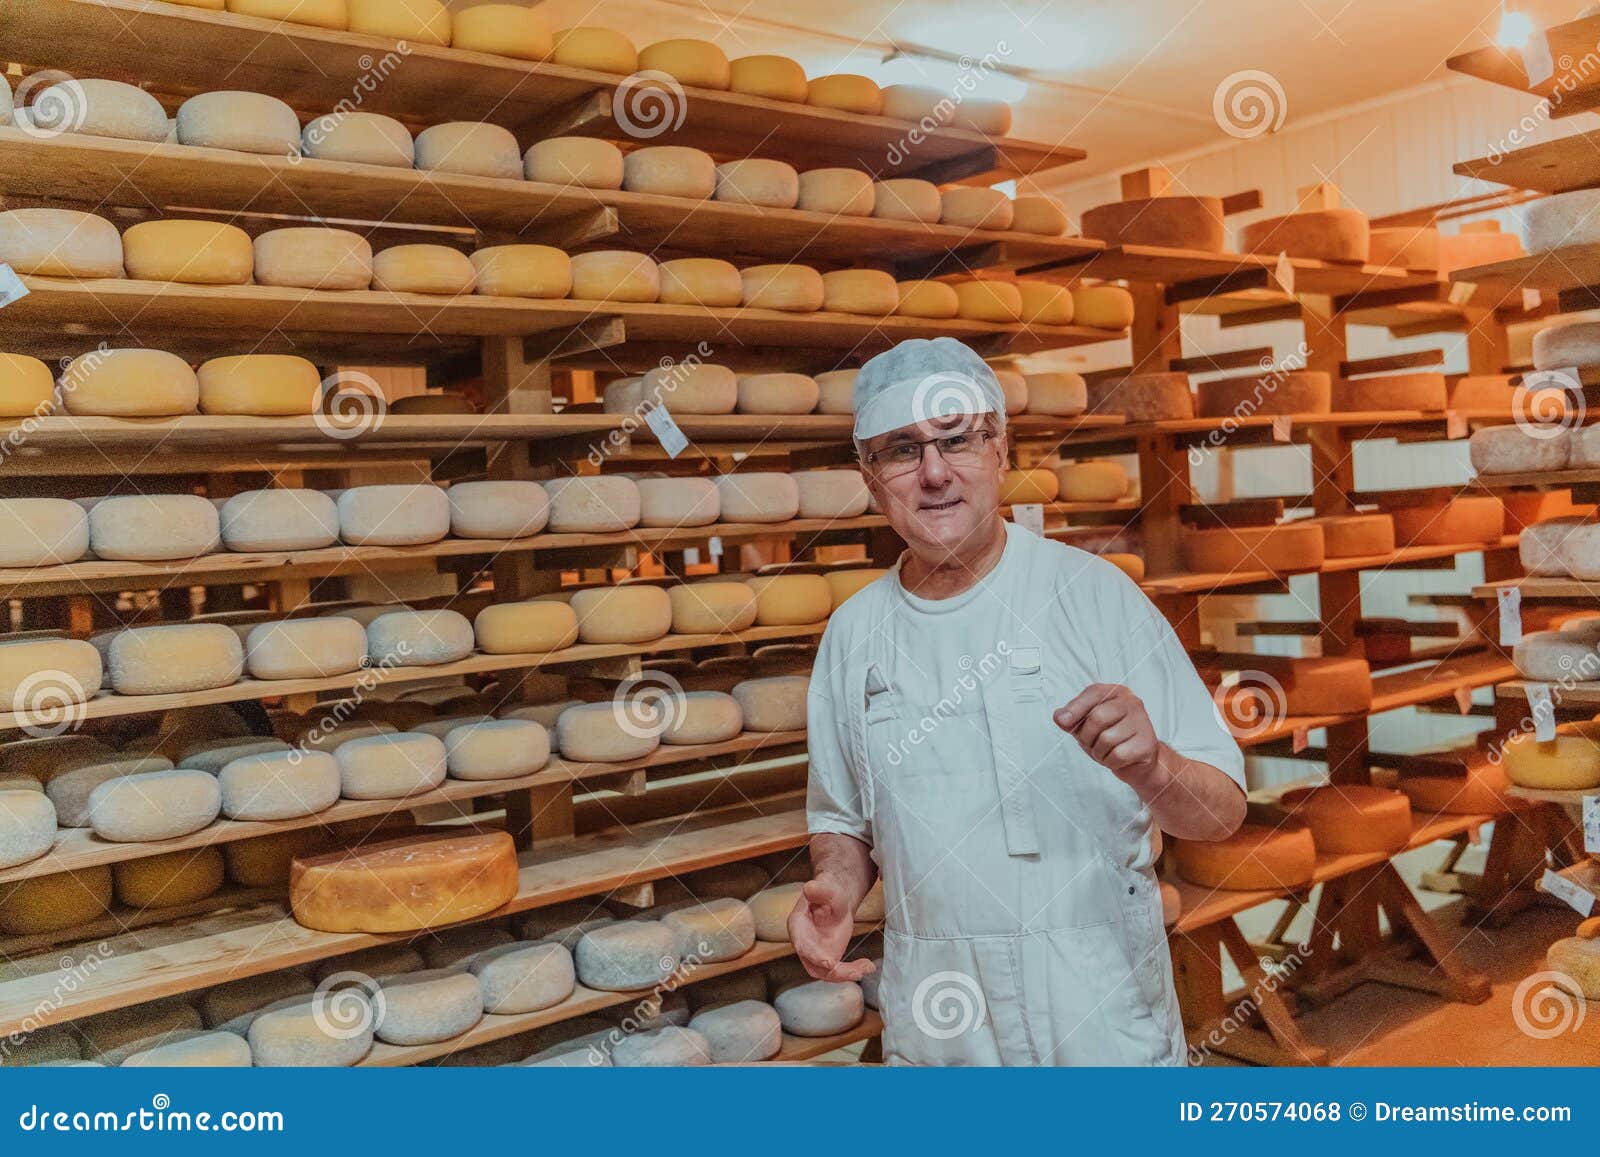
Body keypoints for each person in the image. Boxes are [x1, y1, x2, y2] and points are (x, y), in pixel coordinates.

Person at [789, 337, 1247, 1065]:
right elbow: (843, 820)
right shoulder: (854, 636)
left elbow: (1221, 813)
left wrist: (1154, 765)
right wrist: (839, 887)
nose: (934, 472)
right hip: (944, 1017)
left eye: (956, 439)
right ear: (871, 480)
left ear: (1001, 450)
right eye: (903, 450)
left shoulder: (1095, 597)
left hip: (1097, 1001)